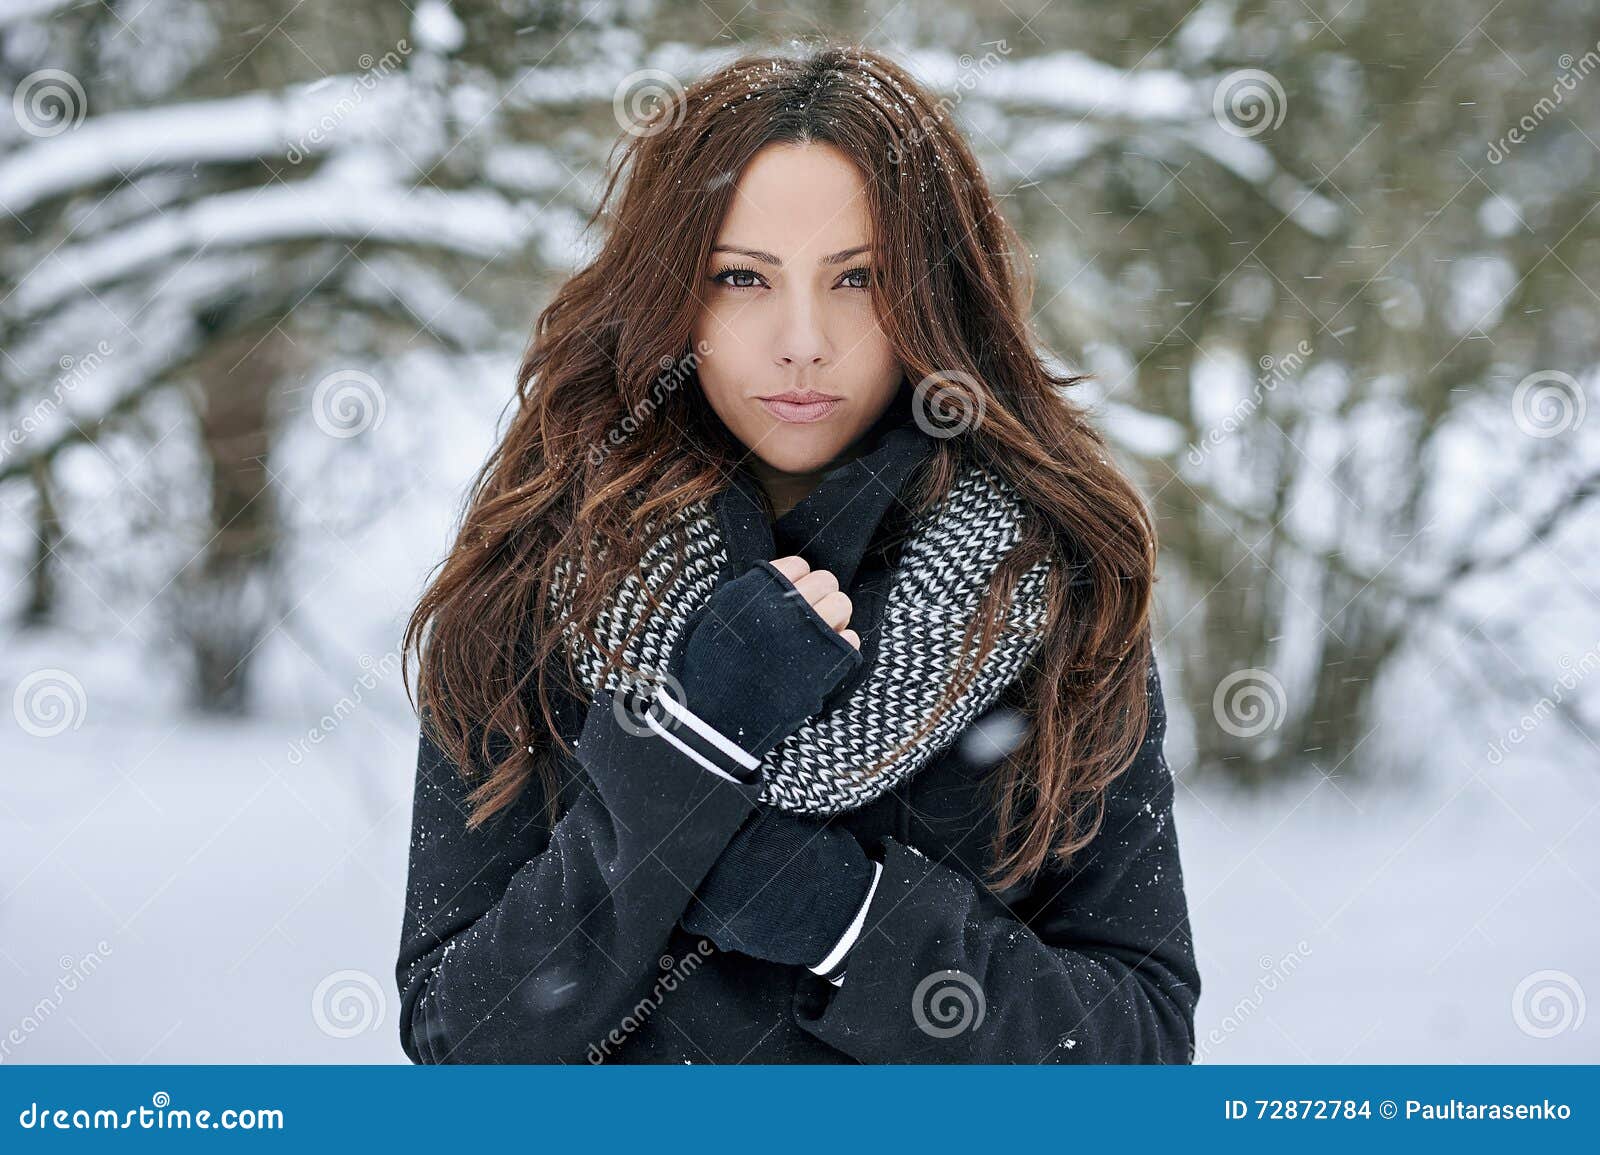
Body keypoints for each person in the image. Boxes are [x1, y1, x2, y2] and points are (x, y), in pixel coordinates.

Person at [394, 41, 1200, 1064]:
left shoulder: (1044, 586)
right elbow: (460, 1038)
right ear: (669, 291)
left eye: (858, 278)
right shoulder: (542, 568)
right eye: (742, 277)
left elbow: (1139, 1050)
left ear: (935, 292)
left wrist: (851, 920)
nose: (803, 339)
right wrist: (685, 752)